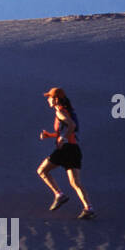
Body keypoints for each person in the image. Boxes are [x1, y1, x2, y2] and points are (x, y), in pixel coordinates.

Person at [36, 87, 95, 219]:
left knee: (42, 171)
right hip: (74, 149)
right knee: (75, 183)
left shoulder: (61, 112)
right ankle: (88, 208)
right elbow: (68, 130)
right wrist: (50, 135)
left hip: (66, 149)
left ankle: (59, 195)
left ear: (56, 99)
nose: (48, 100)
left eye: (49, 97)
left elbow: (72, 126)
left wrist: (63, 138)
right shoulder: (68, 111)